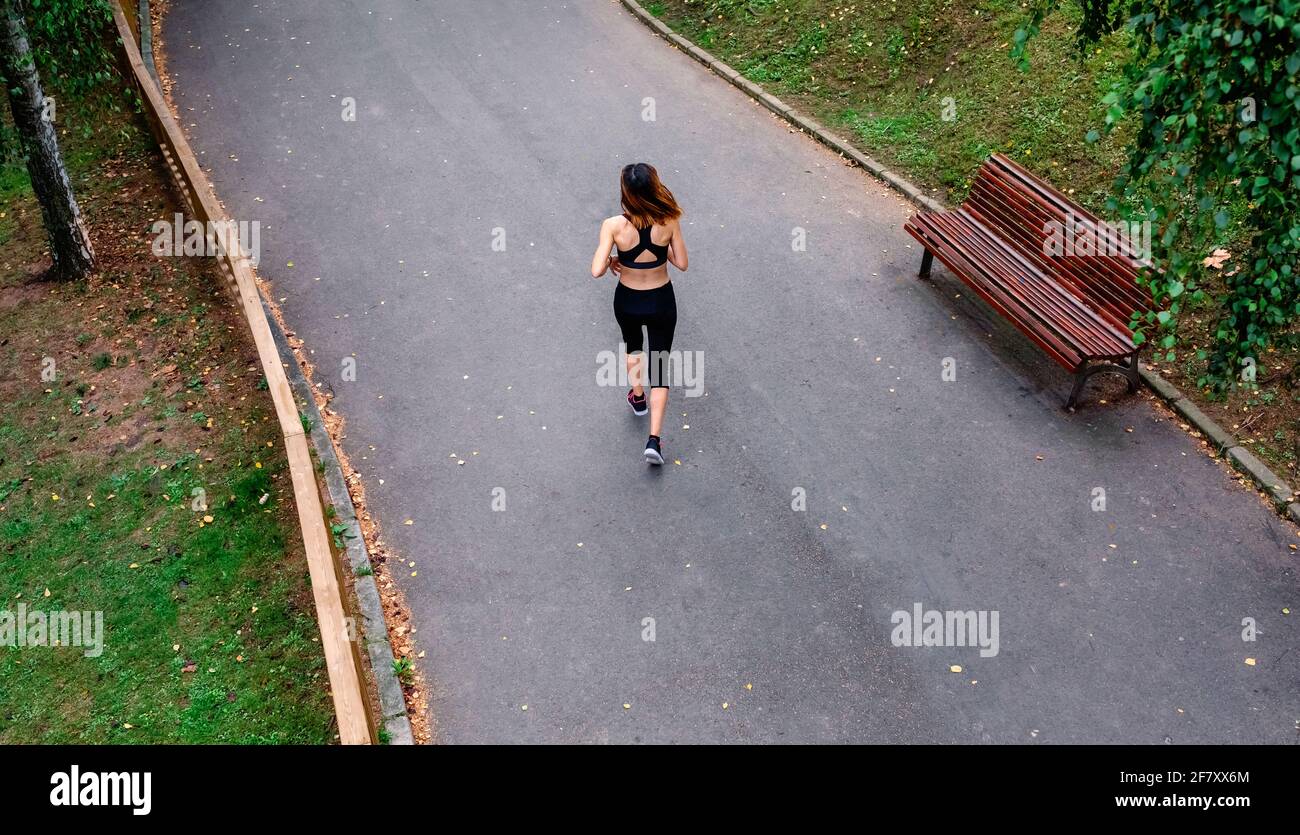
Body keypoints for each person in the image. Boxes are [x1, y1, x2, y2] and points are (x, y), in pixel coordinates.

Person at [590, 162, 689, 465]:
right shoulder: (669, 219)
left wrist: (613, 261)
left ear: (626, 192)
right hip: (661, 300)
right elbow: (682, 263)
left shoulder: (612, 225)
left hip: (628, 300)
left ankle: (638, 397)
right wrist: (662, 249)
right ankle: (654, 441)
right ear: (653, 187)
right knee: (659, 364)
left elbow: (596, 270)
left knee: (633, 345)